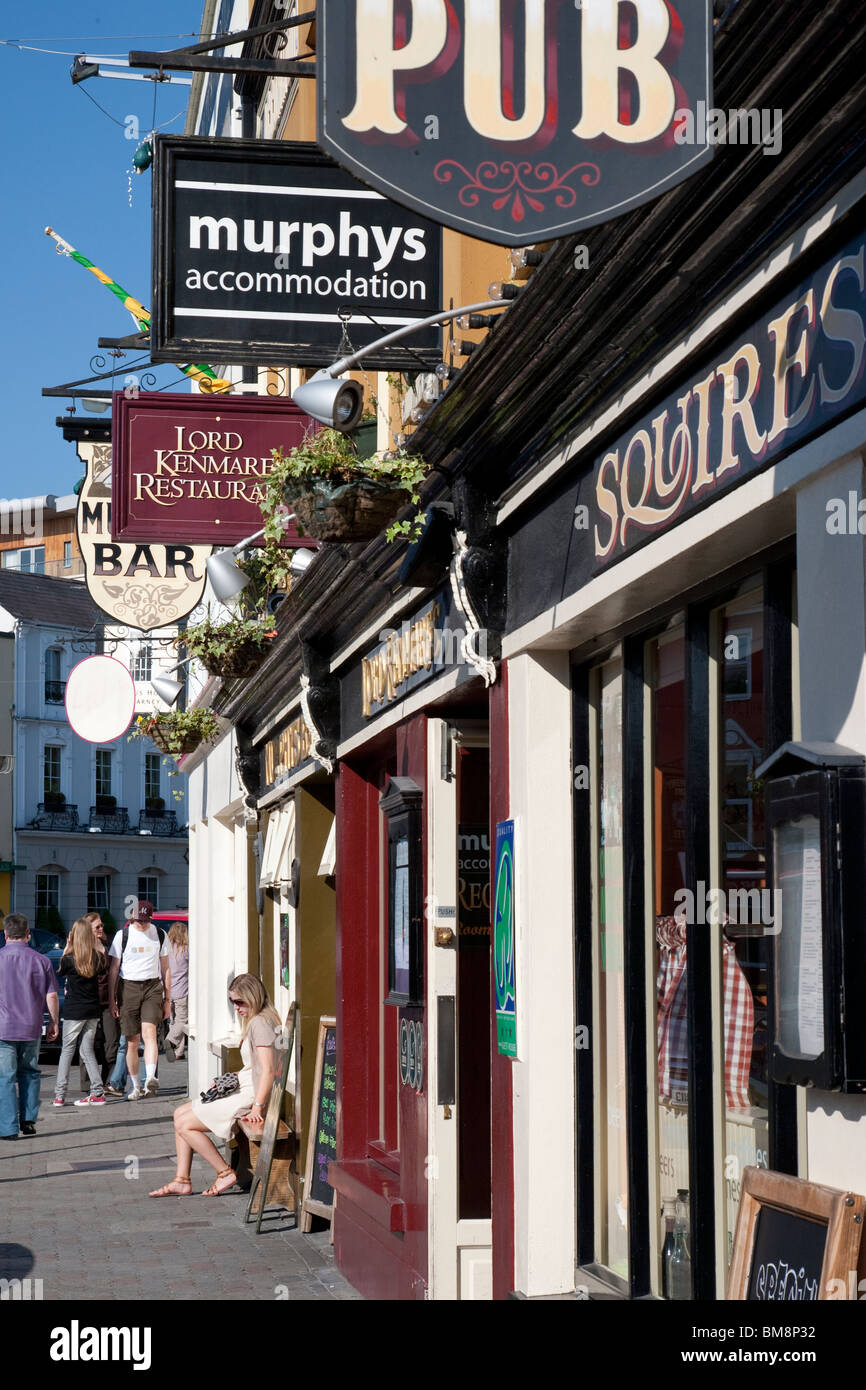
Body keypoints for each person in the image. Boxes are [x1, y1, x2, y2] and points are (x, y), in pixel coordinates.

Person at [149, 974, 279, 1197]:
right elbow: (258, 1067)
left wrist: (257, 1107)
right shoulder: (258, 1020)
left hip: (250, 1095)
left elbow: (268, 1070)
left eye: (240, 1002)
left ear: (253, 997)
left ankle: (224, 1172)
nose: (236, 1008)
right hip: (245, 1087)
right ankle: (182, 1180)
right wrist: (229, 1079)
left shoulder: (260, 1023)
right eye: (233, 1002)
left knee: (185, 1124)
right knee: (179, 1113)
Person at [0, 913, 59, 1139]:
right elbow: (52, 995)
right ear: (27, 933)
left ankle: (7, 1127)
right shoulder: (41, 960)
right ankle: (28, 1120)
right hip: (31, 1027)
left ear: (5, 934)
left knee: (5, 1077)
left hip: (4, 1028)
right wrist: (53, 1022)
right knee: (30, 1073)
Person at [108, 901, 170, 1101]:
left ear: (151, 918)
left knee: (150, 1033)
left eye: (145, 921)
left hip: (152, 986)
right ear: (132, 918)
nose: (141, 924)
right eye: (138, 920)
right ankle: (135, 1086)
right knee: (132, 1041)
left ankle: (150, 1078)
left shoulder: (160, 935)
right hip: (128, 988)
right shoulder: (122, 936)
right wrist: (112, 999)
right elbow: (114, 969)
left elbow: (166, 968)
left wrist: (168, 999)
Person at [54, 918, 106, 1108]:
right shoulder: (97, 957)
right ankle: (97, 1092)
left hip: (74, 1010)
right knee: (87, 1050)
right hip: (92, 1010)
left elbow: (60, 971)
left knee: (67, 1050)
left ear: (74, 936)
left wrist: (68, 946)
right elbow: (103, 966)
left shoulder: (69, 958)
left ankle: (60, 1095)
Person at [77, 912, 119, 1093]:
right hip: (89, 1001)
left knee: (112, 1043)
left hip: (108, 1001)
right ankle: (87, 1085)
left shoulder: (109, 947)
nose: (101, 929)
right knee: (89, 1043)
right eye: (97, 927)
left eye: (102, 926)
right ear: (88, 930)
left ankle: (106, 1082)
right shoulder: (83, 951)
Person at [163, 922, 189, 1063]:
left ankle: (178, 1051)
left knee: (173, 1021)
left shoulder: (167, 950)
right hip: (182, 991)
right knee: (182, 1021)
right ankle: (170, 1040)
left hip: (168, 992)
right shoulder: (186, 950)